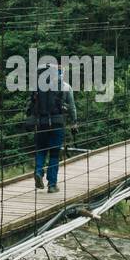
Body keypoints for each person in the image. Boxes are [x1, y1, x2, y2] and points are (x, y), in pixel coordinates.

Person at [27, 60, 77, 194]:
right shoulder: (65, 86)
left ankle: (38, 172)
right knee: (54, 153)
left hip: (41, 123)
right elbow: (72, 107)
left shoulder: (37, 86)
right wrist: (74, 122)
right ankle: (52, 185)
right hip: (57, 124)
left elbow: (30, 104)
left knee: (41, 150)